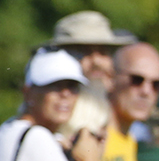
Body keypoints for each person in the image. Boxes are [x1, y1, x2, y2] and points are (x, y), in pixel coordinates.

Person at [52, 10, 136, 139]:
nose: (96, 61)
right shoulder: (51, 99)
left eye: (102, 52)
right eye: (84, 52)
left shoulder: (114, 98)